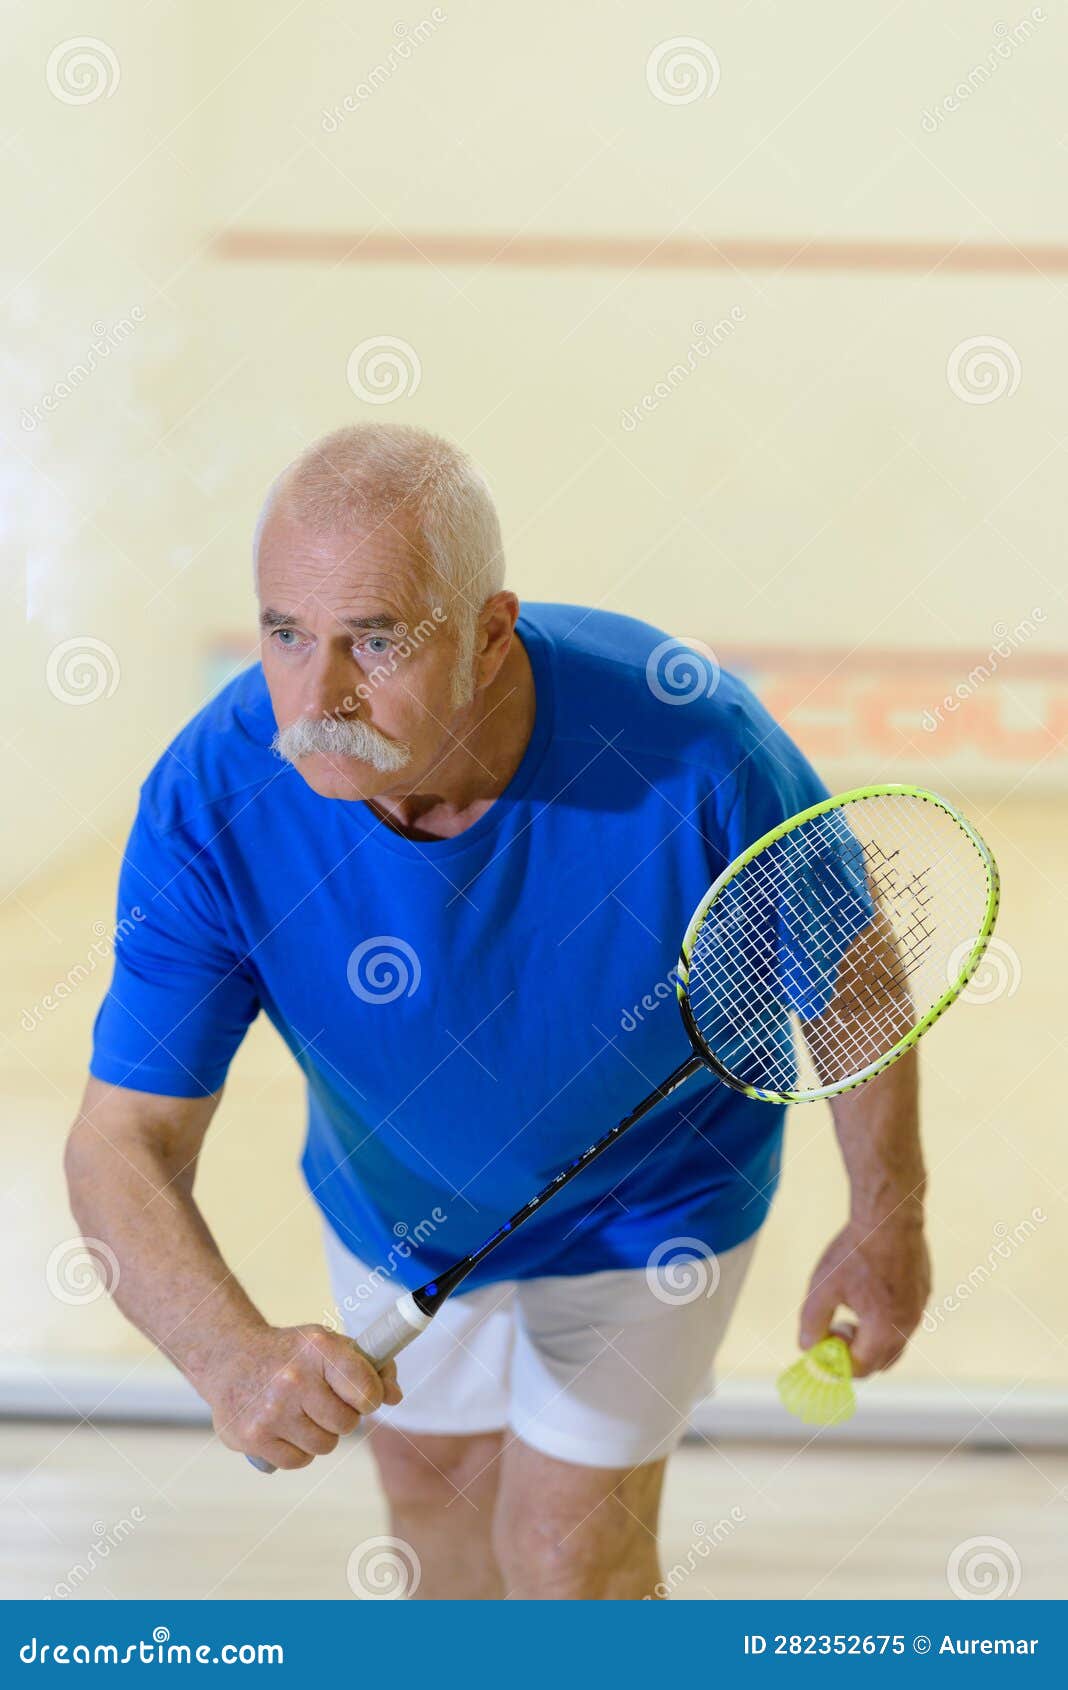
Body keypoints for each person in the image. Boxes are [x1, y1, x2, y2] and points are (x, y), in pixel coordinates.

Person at [66, 422, 929, 1599]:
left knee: (567, 1551)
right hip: (400, 1211)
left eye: (374, 640)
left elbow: (851, 977)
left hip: (655, 1213)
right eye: (285, 634)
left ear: (487, 631)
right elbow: (125, 1138)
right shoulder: (214, 797)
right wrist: (224, 1354)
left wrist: (889, 1214)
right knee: (435, 1501)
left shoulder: (699, 748)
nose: (316, 695)